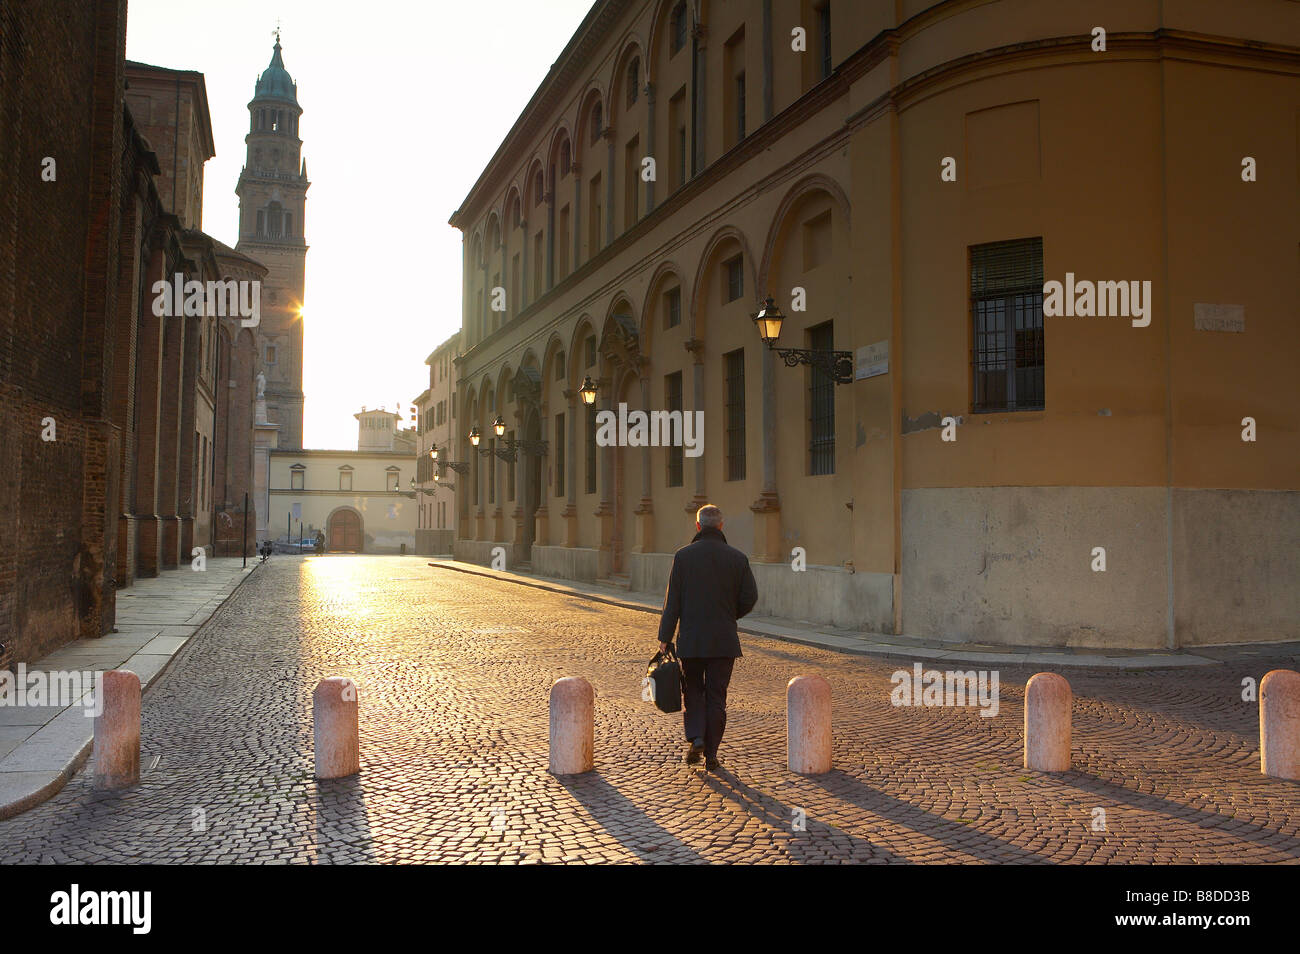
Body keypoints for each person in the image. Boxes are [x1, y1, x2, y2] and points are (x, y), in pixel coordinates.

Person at [657, 505, 758, 771]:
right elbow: (750, 598)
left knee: (693, 691)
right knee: (717, 696)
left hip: (691, 640)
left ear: (698, 526)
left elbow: (673, 603)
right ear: (722, 526)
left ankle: (697, 737)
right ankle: (711, 753)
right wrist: (730, 615)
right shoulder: (738, 558)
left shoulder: (683, 557)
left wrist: (665, 637)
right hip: (724, 640)